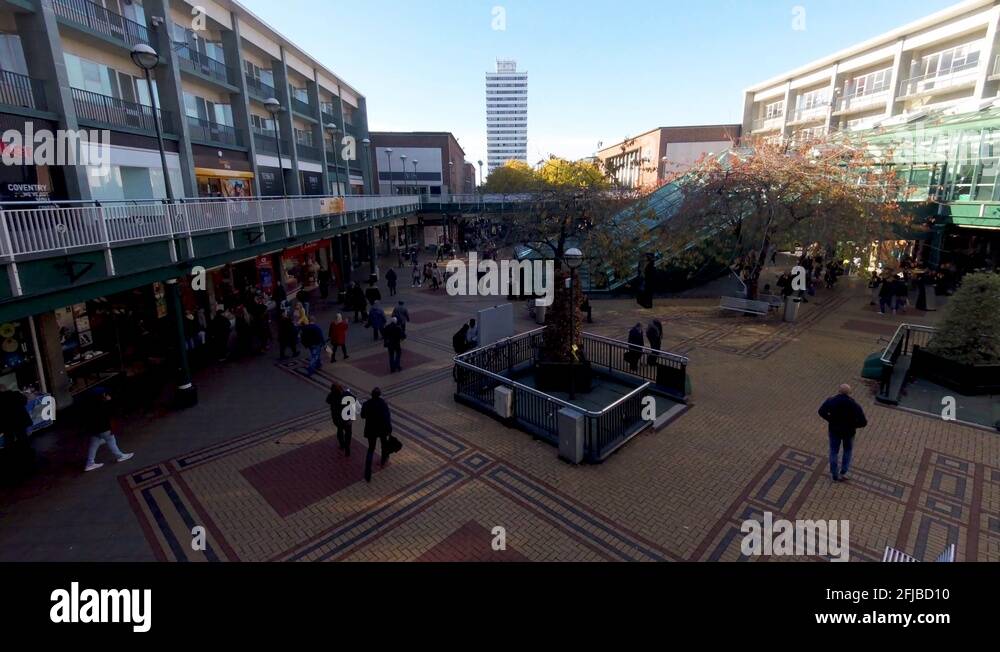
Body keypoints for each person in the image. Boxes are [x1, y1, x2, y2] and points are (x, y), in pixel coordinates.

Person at [818, 384, 868, 482]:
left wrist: (830, 419)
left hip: (834, 430)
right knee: (847, 451)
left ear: (839, 391)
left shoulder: (831, 401)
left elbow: (821, 411)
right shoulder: (854, 405)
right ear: (849, 393)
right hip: (849, 433)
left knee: (833, 451)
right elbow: (863, 422)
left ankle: (834, 473)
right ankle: (843, 472)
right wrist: (854, 425)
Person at [82, 387, 134, 472]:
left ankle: (90, 463)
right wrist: (110, 401)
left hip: (94, 429)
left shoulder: (89, 405)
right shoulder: (103, 405)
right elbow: (112, 412)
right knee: (111, 441)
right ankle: (120, 456)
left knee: (94, 445)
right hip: (104, 428)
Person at [360, 387, 393, 482]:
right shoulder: (383, 404)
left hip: (371, 430)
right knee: (384, 444)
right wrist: (389, 429)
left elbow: (362, 416)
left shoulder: (367, 404)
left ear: (371, 394)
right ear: (379, 394)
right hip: (382, 429)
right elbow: (387, 417)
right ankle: (383, 460)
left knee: (371, 449)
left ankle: (367, 472)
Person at [0, 385, 31, 452]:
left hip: (6, 424)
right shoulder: (16, 394)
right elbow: (25, 401)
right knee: (23, 437)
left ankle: (11, 456)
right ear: (6, 389)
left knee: (9, 440)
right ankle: (27, 453)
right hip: (19, 421)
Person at [326, 381, 353, 455]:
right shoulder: (345, 395)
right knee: (348, 433)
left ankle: (342, 445)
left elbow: (328, 401)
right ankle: (347, 448)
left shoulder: (331, 395)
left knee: (340, 430)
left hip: (337, 418)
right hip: (346, 418)